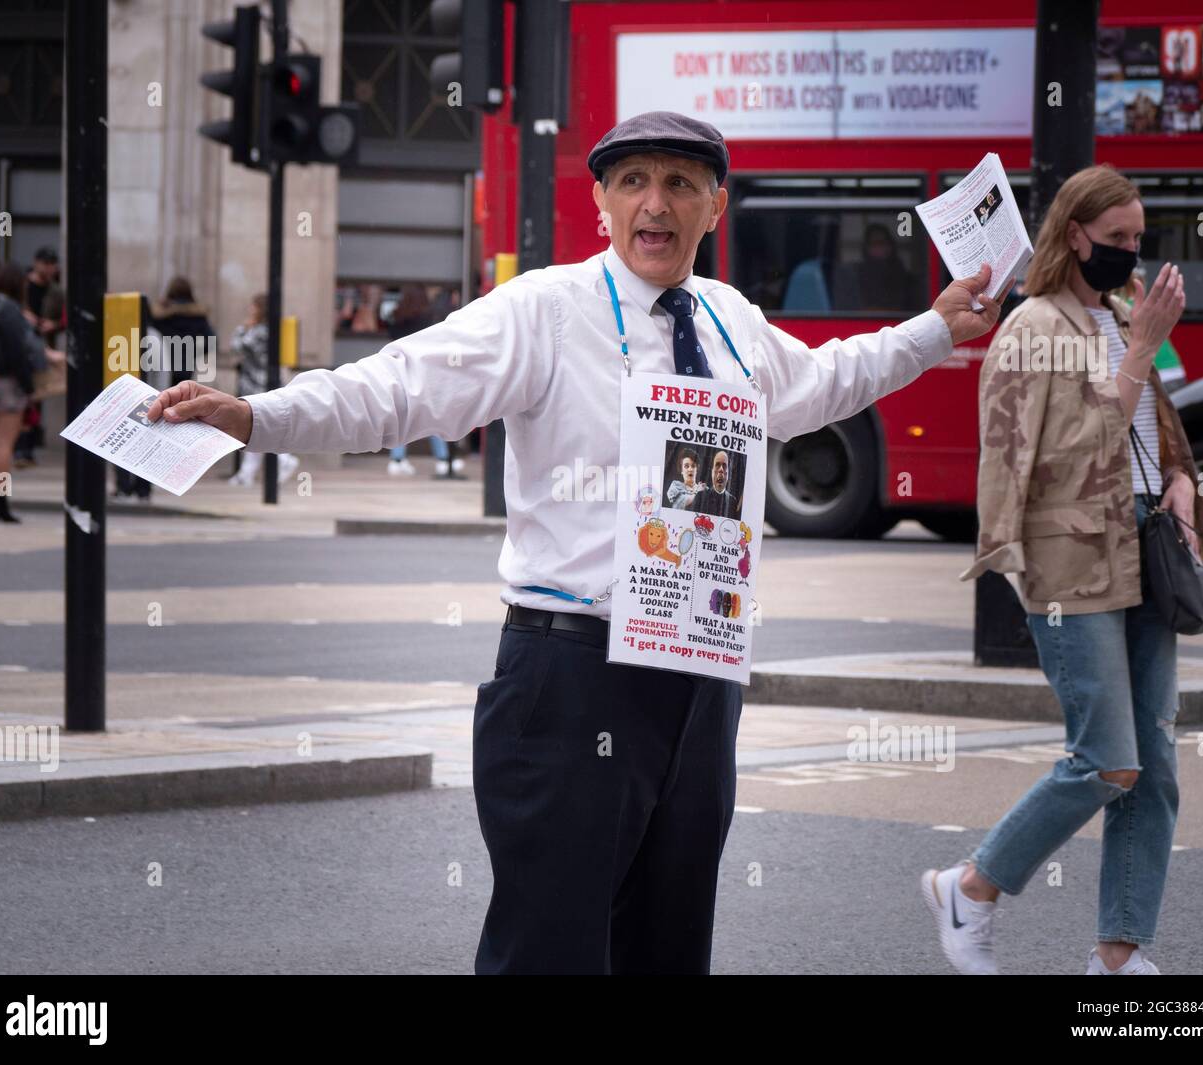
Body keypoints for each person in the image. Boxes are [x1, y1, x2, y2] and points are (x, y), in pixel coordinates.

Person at [145, 110, 1002, 974]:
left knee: (667, 949)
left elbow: (823, 384)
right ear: (601, 202)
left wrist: (936, 330)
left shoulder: (731, 317)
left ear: (717, 205)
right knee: (547, 950)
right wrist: (258, 417)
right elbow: (400, 388)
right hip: (573, 679)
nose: (654, 204)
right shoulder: (547, 310)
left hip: (702, 676)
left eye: (679, 183)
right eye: (632, 182)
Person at [925, 164, 1203, 976]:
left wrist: (1178, 483)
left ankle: (1118, 953)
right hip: (1070, 559)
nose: (1132, 254)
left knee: (1155, 767)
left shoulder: (1126, 314)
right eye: (1117, 239)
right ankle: (971, 884)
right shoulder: (1032, 327)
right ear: (1074, 235)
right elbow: (1045, 458)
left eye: (1140, 238)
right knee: (1107, 759)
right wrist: (1135, 353)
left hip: (1145, 545)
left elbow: (1155, 432)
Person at [0, 261, 65, 522]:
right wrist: (28, 386)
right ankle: (0, 502)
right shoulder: (11, 311)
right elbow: (16, 350)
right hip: (8, 382)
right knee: (5, 446)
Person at [384, 284, 463, 478]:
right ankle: (443, 459)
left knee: (403, 416)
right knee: (431, 415)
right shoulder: (428, 318)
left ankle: (398, 459)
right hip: (422, 372)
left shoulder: (396, 316)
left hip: (398, 370)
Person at [227, 293, 297, 487]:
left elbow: (237, 345)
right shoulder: (271, 329)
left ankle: (284, 460)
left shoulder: (259, 331)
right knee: (257, 426)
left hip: (257, 383)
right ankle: (246, 473)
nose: (250, 309)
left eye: (253, 306)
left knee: (258, 425)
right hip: (260, 381)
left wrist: (243, 327)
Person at [14, 246, 63, 468]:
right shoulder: (22, 285)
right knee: (22, 397)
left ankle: (28, 448)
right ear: (36, 263)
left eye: (52, 264)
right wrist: (27, 317)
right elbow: (12, 309)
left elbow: (65, 316)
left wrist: (53, 325)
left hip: (44, 350)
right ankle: (19, 447)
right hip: (21, 349)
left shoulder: (56, 290)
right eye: (46, 263)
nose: (50, 268)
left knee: (37, 397)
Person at [691, 449, 738, 517]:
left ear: (728, 473)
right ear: (712, 471)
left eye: (724, 466)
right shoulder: (700, 497)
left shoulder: (732, 501)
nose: (721, 470)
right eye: (717, 465)